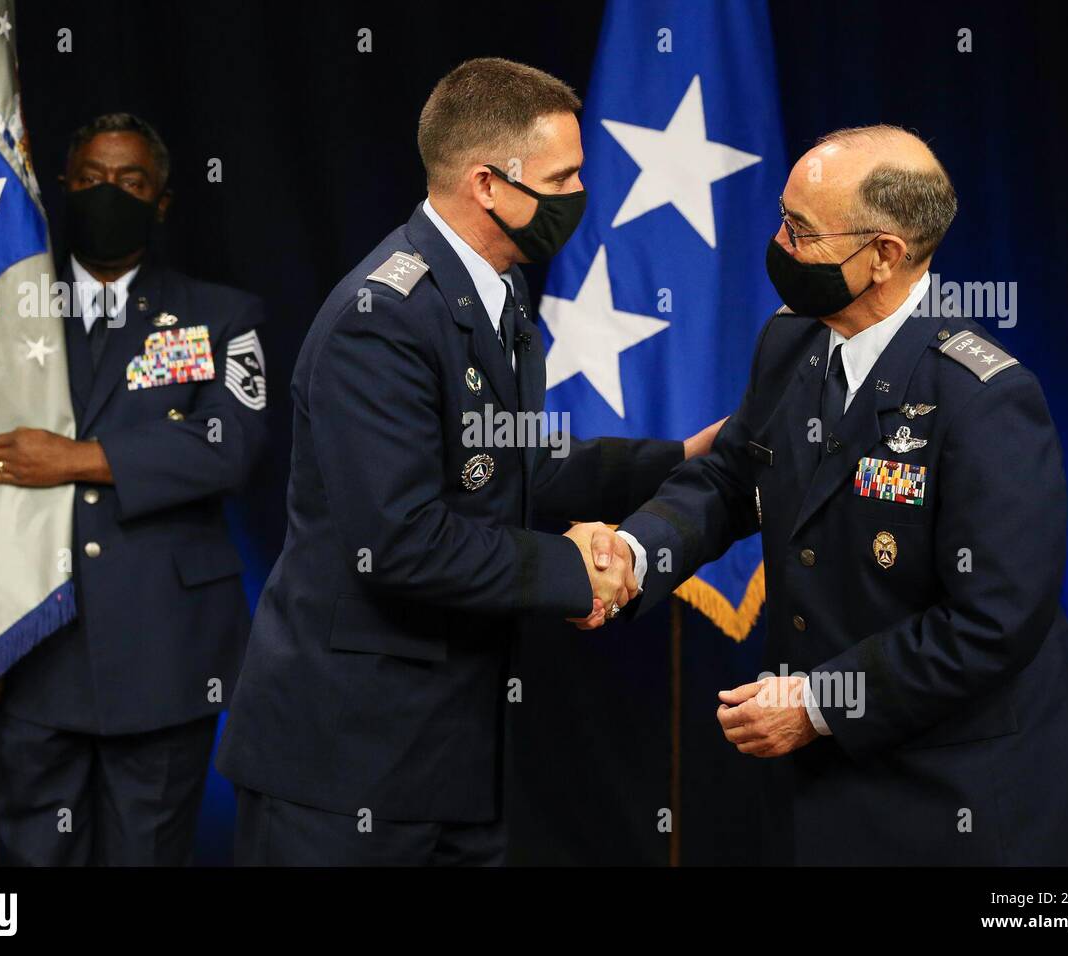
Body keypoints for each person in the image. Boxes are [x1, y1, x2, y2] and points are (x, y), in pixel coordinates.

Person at [217, 58, 721, 866]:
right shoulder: (381, 320)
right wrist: (577, 570)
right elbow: (402, 538)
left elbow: (509, 466)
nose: (577, 194)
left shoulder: (496, 294)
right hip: (346, 766)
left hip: (455, 756)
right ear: (488, 184)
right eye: (563, 177)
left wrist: (675, 458)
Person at [595, 125, 1068, 865]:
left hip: (958, 795)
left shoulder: (983, 398)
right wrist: (638, 552)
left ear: (884, 256)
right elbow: (731, 477)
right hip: (828, 788)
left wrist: (816, 703)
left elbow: (992, 623)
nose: (778, 242)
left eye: (800, 231)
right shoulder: (789, 341)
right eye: (783, 215)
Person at [0, 113, 268, 865]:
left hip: (165, 651)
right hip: (31, 647)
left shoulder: (222, 317)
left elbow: (229, 450)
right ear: (64, 187)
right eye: (93, 179)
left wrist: (75, 458)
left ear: (161, 201)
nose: (110, 194)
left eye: (131, 182)